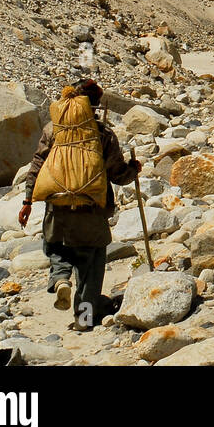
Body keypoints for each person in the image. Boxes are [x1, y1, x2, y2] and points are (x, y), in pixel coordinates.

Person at [19, 77, 141, 331]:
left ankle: (61, 278)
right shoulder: (103, 134)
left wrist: (27, 201)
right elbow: (118, 175)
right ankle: (84, 320)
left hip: (58, 210)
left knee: (55, 249)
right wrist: (133, 169)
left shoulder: (53, 131)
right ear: (94, 106)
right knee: (89, 270)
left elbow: (37, 165)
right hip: (91, 213)